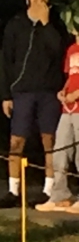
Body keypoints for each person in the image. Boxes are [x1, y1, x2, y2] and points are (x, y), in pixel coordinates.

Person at [0, 0, 68, 207]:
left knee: (50, 140)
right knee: (16, 140)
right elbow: (6, 60)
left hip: (49, 91)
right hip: (22, 90)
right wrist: (5, 94)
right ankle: (13, 189)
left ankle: (49, 188)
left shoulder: (55, 24)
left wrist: (45, 22)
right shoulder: (16, 24)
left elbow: (59, 51)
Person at [37, 15, 79, 213]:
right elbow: (71, 75)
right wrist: (64, 91)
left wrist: (75, 95)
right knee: (59, 151)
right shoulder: (71, 50)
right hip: (67, 108)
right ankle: (60, 195)